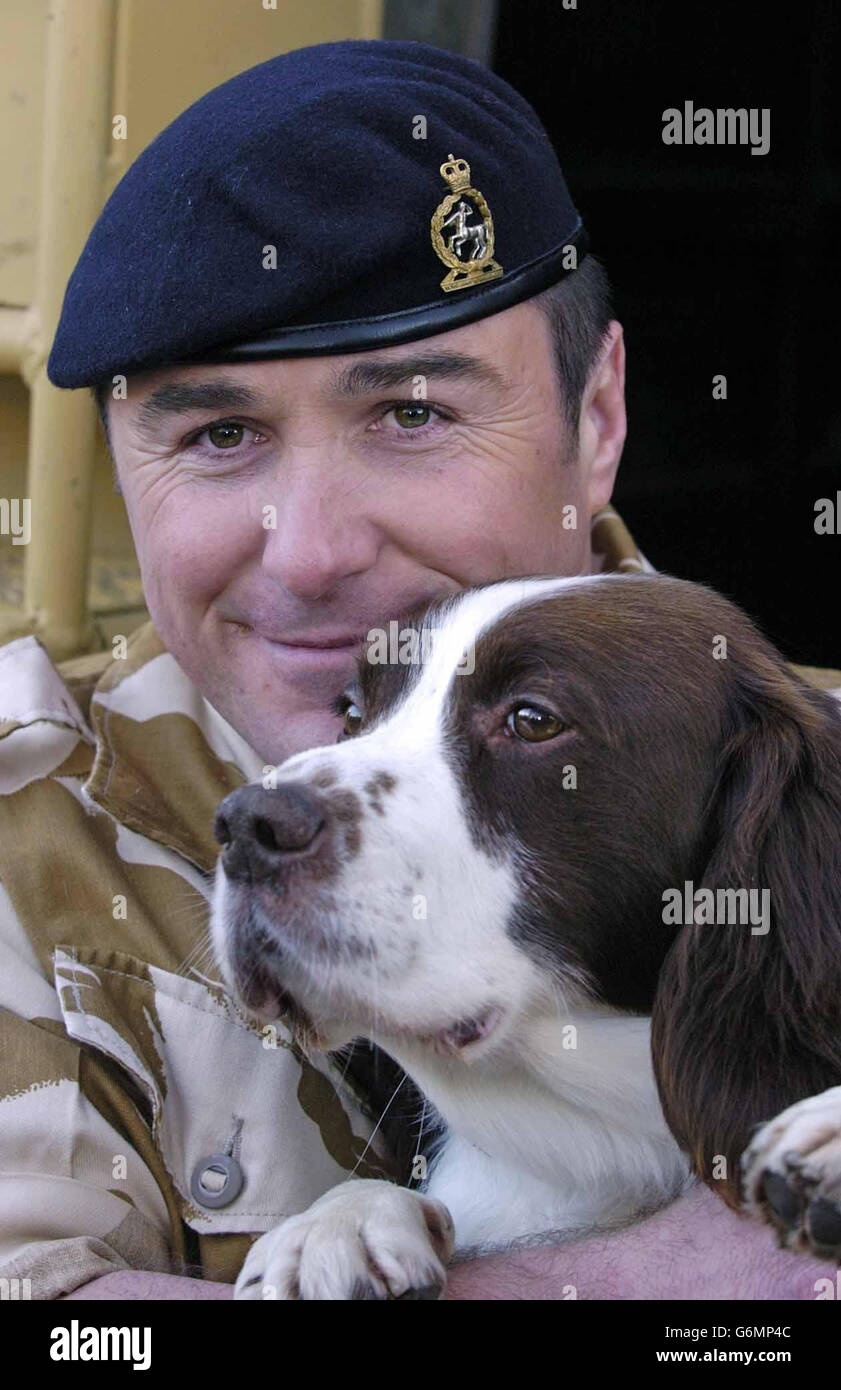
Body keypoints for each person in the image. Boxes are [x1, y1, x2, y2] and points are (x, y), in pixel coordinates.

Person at [1, 39, 837, 1302]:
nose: (316, 554)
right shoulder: (27, 833)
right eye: (219, 435)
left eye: (412, 415)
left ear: (595, 421)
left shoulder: (790, 768)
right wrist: (669, 1282)